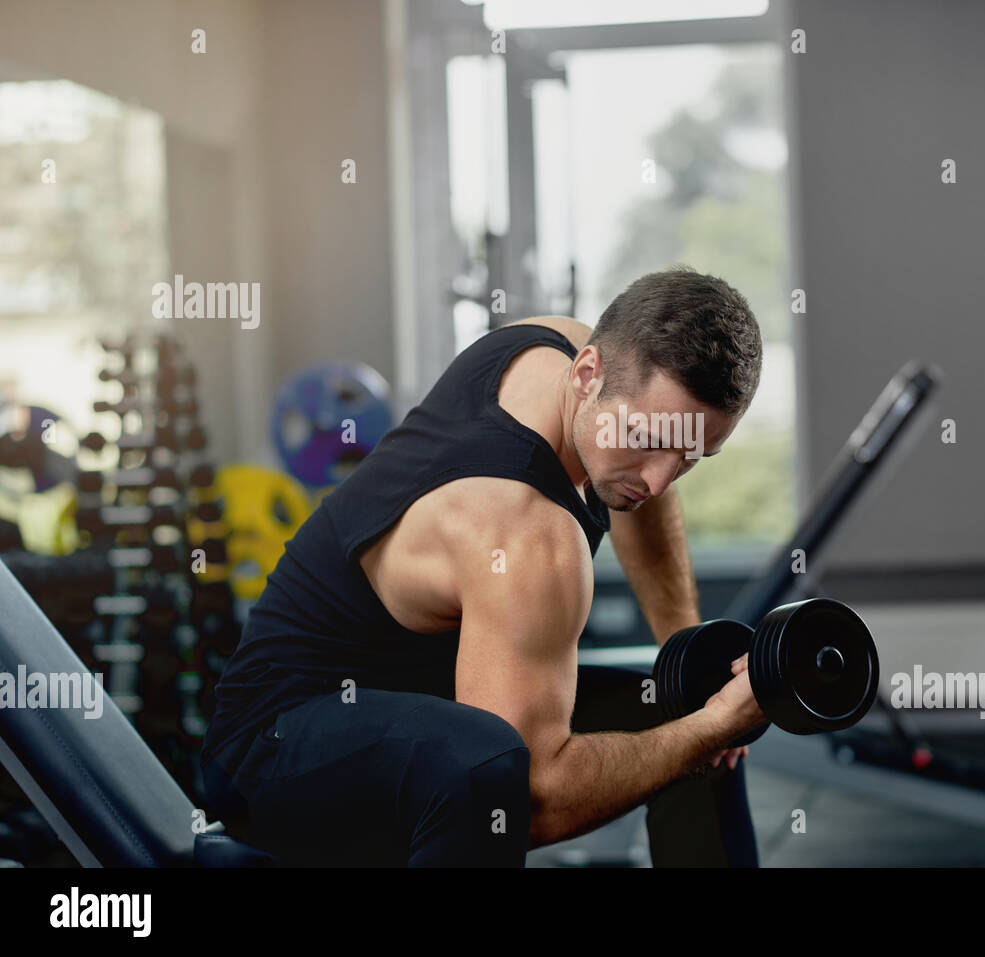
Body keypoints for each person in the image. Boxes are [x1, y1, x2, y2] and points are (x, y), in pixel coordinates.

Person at [200, 264, 768, 866]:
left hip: (426, 695)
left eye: (689, 455)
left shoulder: (573, 352)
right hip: (275, 749)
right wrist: (710, 731)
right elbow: (534, 802)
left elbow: (653, 476)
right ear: (589, 375)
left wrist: (685, 655)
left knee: (685, 706)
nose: (658, 480)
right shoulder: (525, 534)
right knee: (486, 768)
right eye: (646, 438)